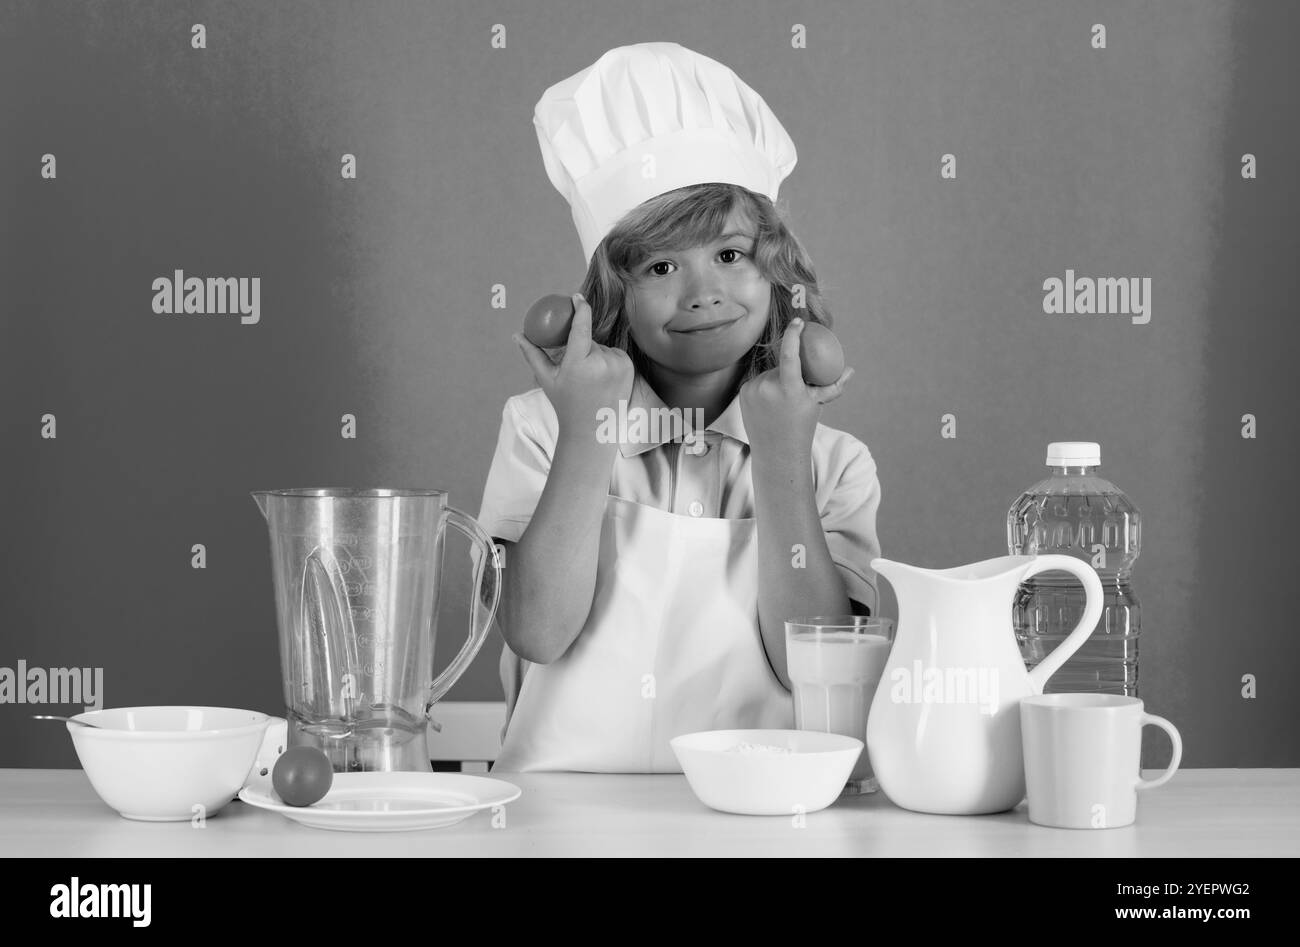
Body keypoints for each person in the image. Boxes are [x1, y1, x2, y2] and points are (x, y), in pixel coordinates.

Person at [478, 43, 882, 773]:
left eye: (730, 255)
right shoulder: (540, 428)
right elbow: (535, 631)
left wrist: (783, 458)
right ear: (613, 294)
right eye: (662, 266)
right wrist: (586, 431)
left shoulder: (833, 461)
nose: (702, 291)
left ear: (778, 270)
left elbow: (817, 670)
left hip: (762, 811)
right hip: (560, 818)